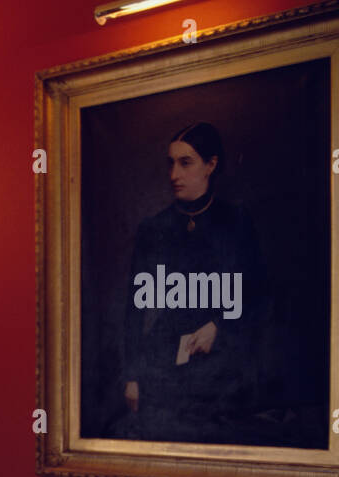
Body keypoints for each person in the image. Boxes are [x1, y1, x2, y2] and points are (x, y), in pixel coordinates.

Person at [114, 121, 266, 443]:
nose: (174, 175)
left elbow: (257, 294)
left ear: (211, 165)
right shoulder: (154, 228)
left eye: (186, 163)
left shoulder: (236, 222)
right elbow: (134, 309)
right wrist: (132, 377)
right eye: (171, 163)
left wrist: (220, 327)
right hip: (164, 372)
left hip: (224, 375)